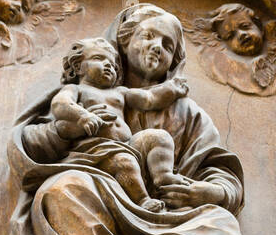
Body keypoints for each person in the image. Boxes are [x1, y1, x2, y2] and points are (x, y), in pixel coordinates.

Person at [2, 0, 254, 235]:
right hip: (99, 196)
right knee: (58, 192)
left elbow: (221, 173)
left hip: (164, 218)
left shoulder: (187, 114)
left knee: (220, 228)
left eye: (167, 45)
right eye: (149, 36)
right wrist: (67, 130)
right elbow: (29, 147)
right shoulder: (80, 93)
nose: (157, 48)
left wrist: (209, 193)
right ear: (125, 40)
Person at [50, 36, 189, 212]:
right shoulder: (77, 90)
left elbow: (149, 99)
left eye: (112, 64)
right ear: (78, 67)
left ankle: (163, 176)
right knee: (124, 162)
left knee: (158, 137)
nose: (108, 65)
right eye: (99, 58)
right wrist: (83, 116)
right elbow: (60, 104)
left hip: (128, 144)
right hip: (99, 149)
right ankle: (143, 200)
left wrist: (172, 89)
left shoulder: (120, 92)